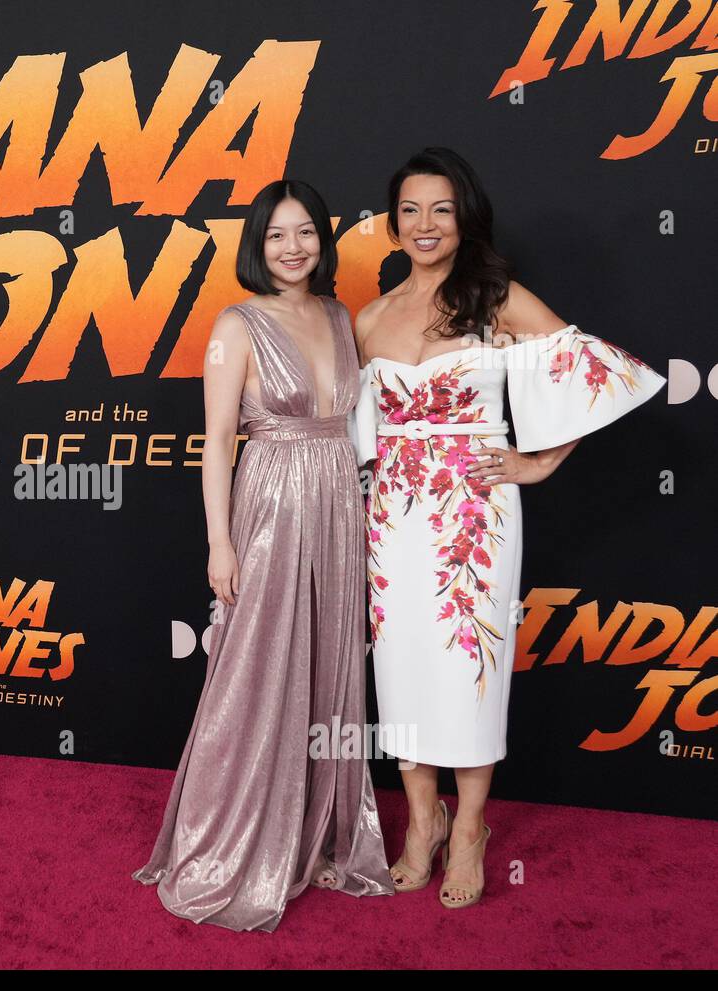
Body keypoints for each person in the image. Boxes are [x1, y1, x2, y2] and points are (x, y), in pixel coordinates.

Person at [351, 147, 666, 909]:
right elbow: (355, 431)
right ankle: (422, 822)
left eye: (441, 210)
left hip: (474, 518)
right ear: (392, 225)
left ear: (464, 219)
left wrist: (539, 461)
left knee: (469, 669)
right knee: (401, 671)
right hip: (391, 518)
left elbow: (592, 368)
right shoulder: (368, 317)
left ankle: (471, 830)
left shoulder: (494, 298)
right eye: (410, 211)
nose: (425, 225)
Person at [132, 180, 395, 931]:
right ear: (258, 243)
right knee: (255, 667)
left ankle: (311, 832)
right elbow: (218, 440)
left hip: (339, 502)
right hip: (272, 500)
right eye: (278, 234)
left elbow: (361, 424)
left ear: (322, 241)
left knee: (326, 664)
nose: (292, 247)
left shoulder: (342, 317)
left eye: (306, 232)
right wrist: (219, 541)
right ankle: (227, 843)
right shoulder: (236, 323)